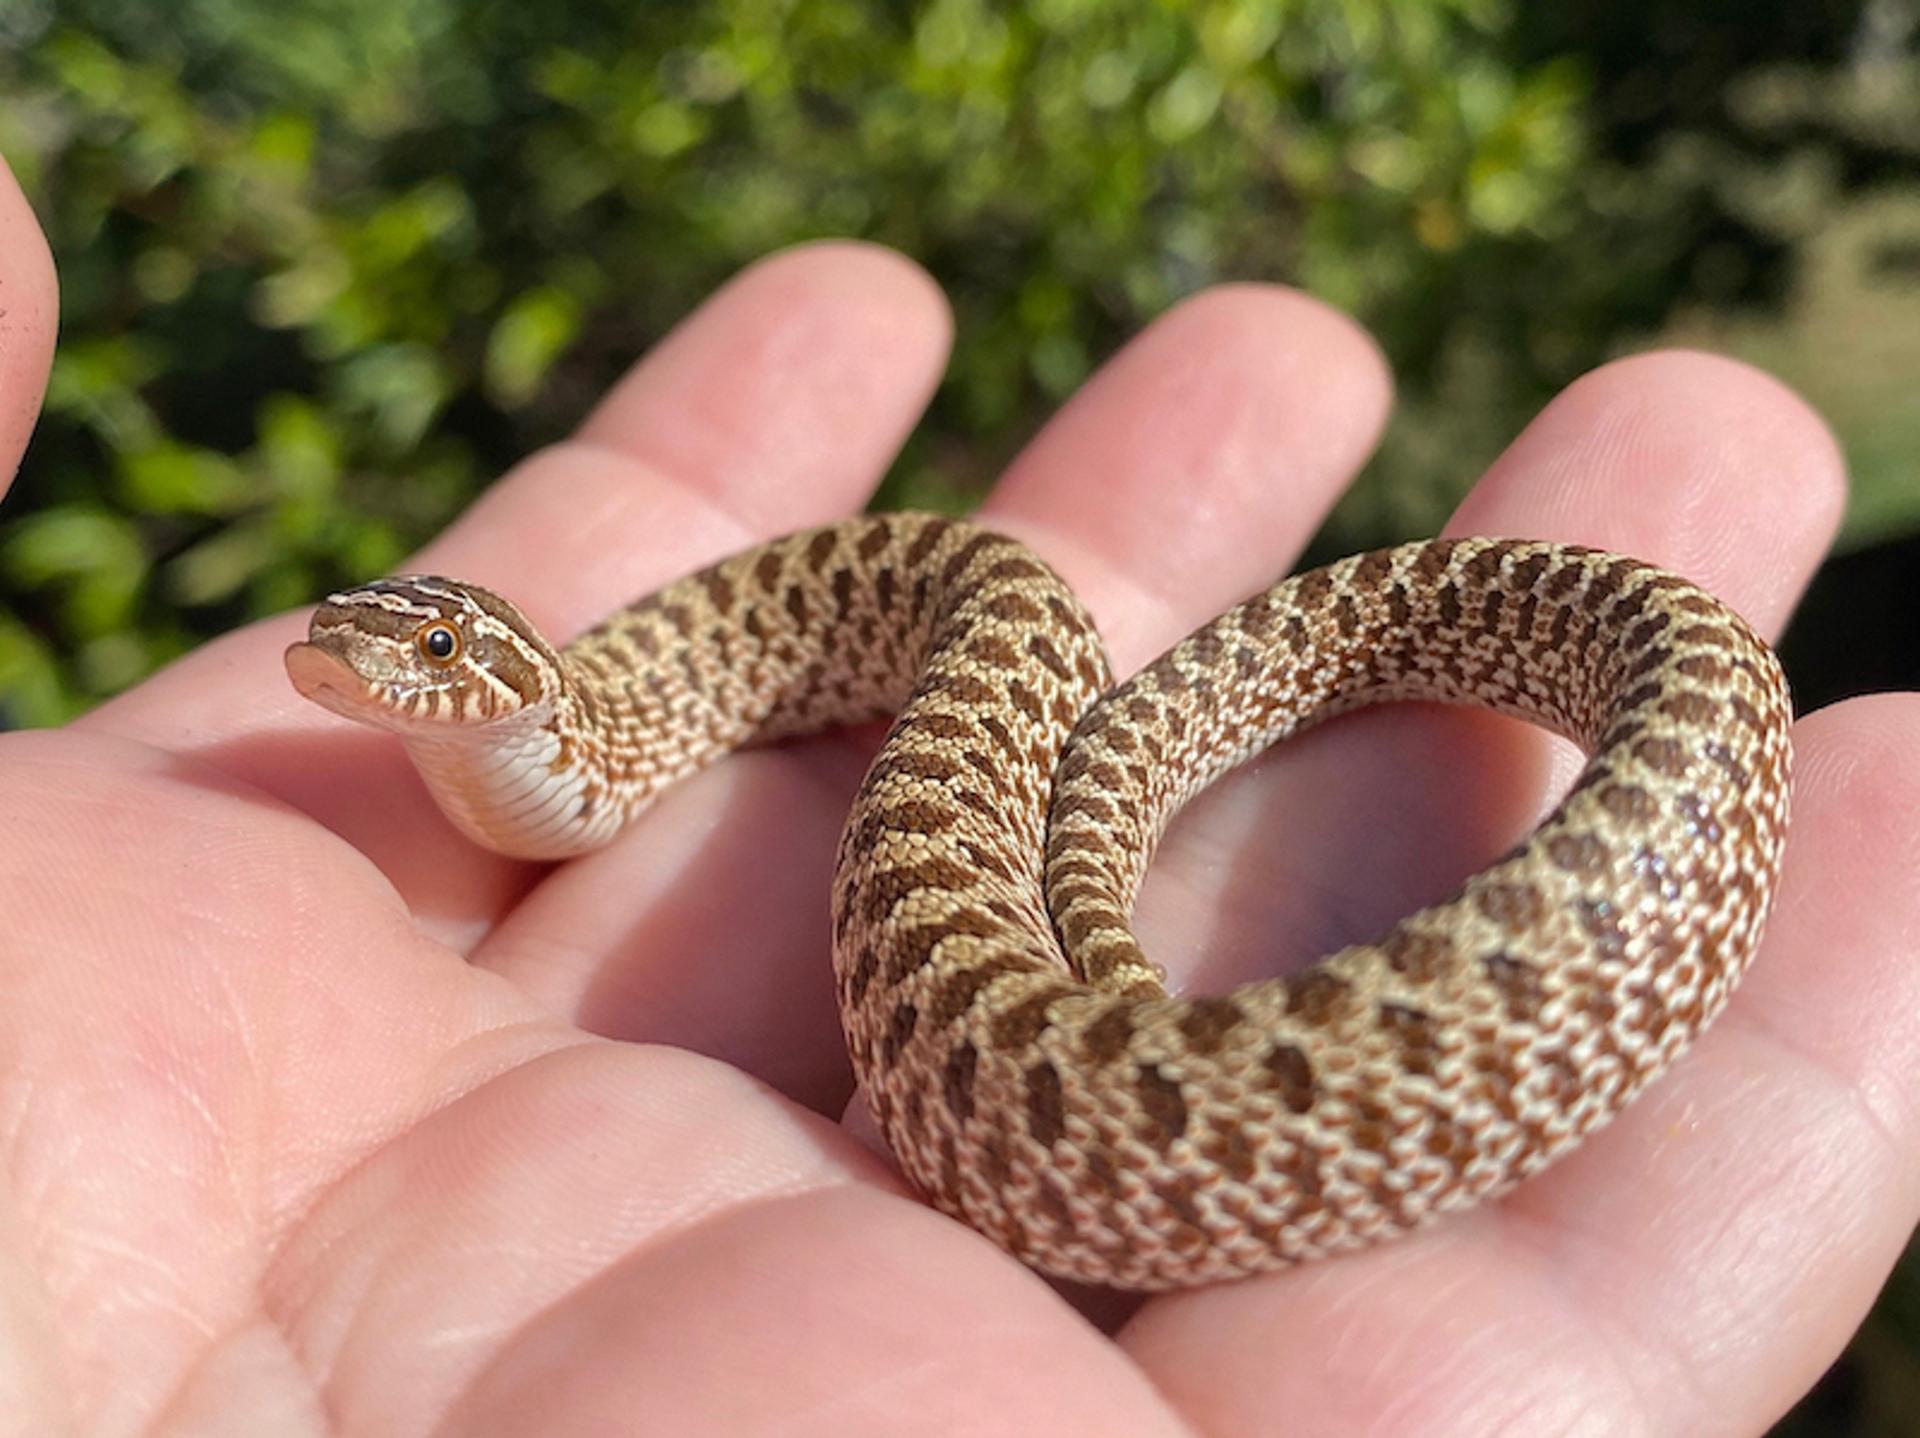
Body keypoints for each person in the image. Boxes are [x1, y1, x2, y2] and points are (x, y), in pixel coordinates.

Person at [0, 156, 1910, 1437]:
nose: (364, 672)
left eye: (414, 658)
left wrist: (1094, 885)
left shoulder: (949, 628)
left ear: (494, 670)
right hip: (1018, 1003)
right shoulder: (581, 718)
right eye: (359, 650)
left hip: (1466, 807)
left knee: (1057, 668)